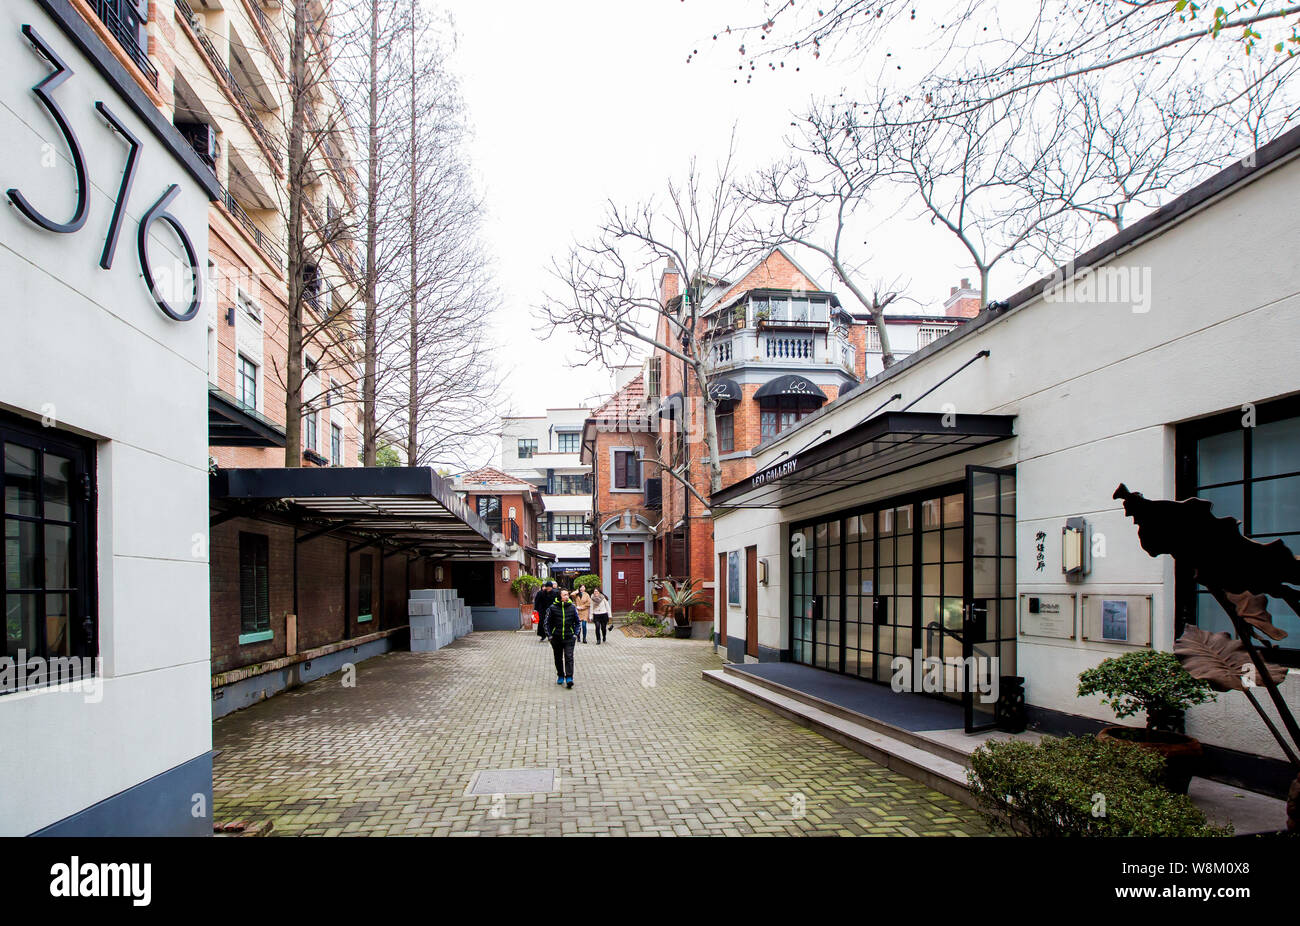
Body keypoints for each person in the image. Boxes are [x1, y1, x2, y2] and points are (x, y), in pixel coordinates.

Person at [546, 588, 580, 688]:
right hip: (556, 637)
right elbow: (547, 623)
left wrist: (575, 634)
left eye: (567, 594)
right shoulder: (552, 608)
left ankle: (569, 677)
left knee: (569, 657)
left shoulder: (572, 607)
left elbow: (577, 622)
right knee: (558, 658)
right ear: (559, 596)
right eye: (564, 595)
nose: (566, 596)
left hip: (569, 637)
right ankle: (560, 675)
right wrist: (550, 635)